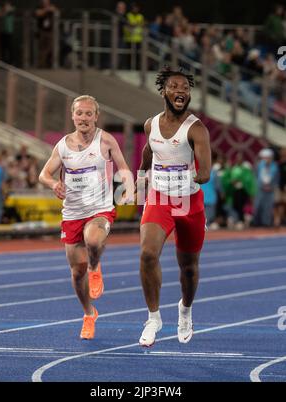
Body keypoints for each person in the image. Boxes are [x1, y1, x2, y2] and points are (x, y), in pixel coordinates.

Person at [39, 95, 131, 340]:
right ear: (72, 116)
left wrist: (128, 186)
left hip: (100, 207)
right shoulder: (63, 145)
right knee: (76, 273)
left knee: (93, 240)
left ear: (96, 117)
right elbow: (44, 174)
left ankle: (95, 266)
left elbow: (123, 167)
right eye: (79, 113)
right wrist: (53, 184)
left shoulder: (106, 141)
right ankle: (89, 314)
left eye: (89, 114)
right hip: (72, 213)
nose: (84, 118)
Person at [136, 66, 211, 347]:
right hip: (160, 198)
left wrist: (199, 175)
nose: (181, 91)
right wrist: (142, 173)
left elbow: (206, 168)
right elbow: (149, 149)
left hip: (189, 202)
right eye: (175, 86)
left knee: (189, 268)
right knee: (147, 254)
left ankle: (185, 310)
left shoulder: (196, 128)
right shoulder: (150, 124)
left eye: (185, 88)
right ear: (164, 91)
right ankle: (153, 318)